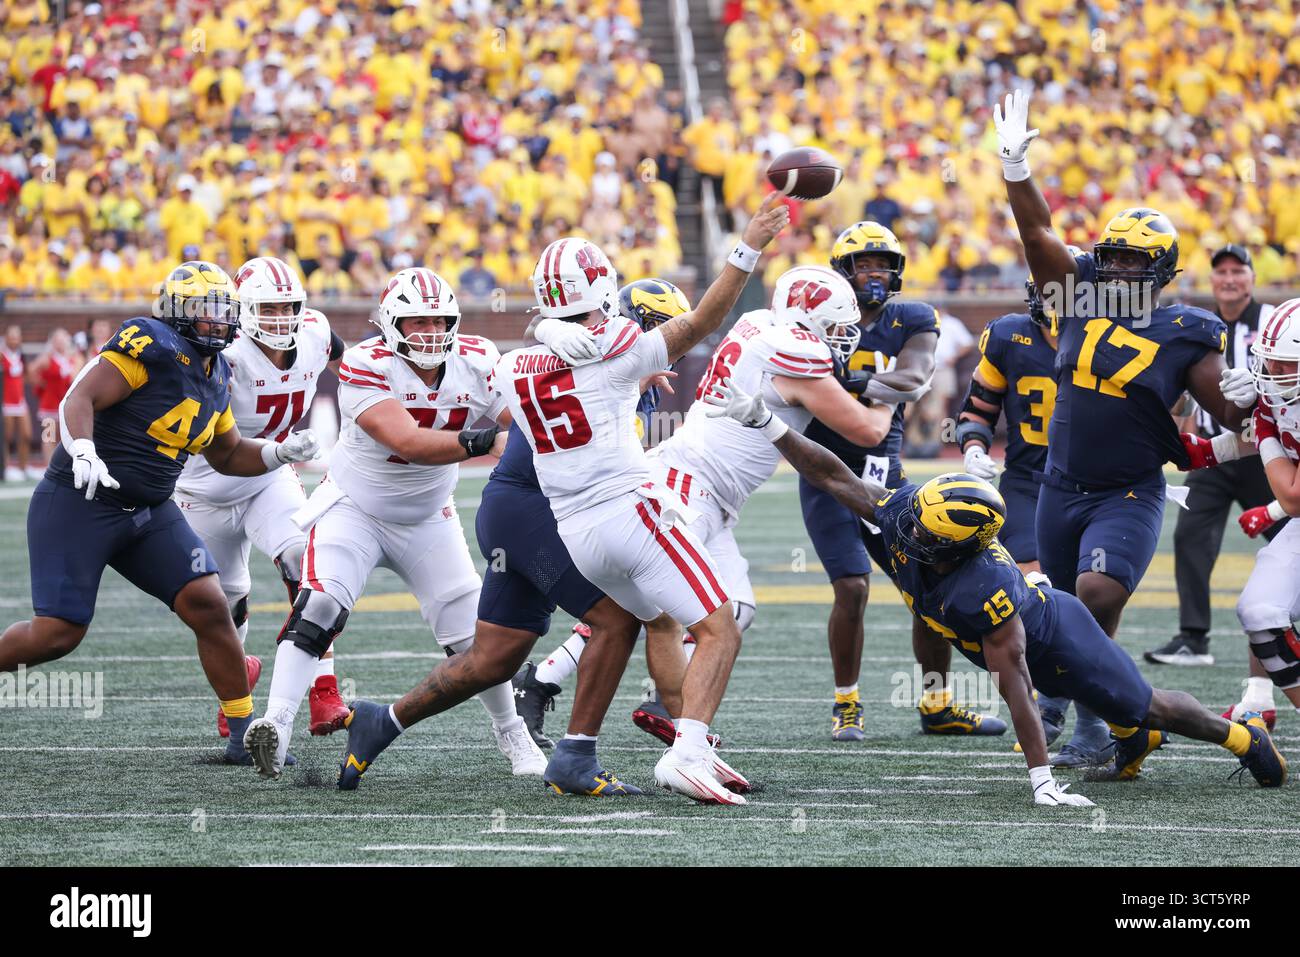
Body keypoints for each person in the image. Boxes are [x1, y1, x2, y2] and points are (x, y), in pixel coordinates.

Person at [706, 375, 1287, 803]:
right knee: (1127, 716)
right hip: (1015, 632)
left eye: (922, 533)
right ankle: (1135, 738)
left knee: (1144, 702)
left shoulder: (984, 586)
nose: (906, 530)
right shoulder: (911, 512)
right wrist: (768, 422)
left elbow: (1017, 685)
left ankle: (1242, 738)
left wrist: (1042, 783)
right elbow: (833, 474)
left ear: (955, 547)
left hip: (1059, 640)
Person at [340, 279, 691, 797]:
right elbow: (549, 345)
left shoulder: (617, 369)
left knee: (493, 659)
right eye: (659, 331)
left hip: (515, 510)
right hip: (529, 509)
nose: (665, 345)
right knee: (619, 621)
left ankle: (382, 720)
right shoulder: (596, 360)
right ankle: (587, 757)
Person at [993, 88, 1253, 767]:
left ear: (1162, 268)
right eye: (1116, 256)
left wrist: (1250, 392)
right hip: (1058, 484)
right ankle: (1059, 697)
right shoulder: (1079, 293)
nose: (1122, 268)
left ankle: (1093, 722)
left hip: (1127, 491)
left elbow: (1230, 415)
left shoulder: (1187, 330)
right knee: (1052, 604)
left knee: (1097, 595)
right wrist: (1017, 172)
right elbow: (1037, 238)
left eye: (1137, 261)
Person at [504, 196, 789, 804]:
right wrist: (748, 247)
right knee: (720, 626)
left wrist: (545, 328)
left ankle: (640, 749)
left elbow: (524, 365)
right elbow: (705, 319)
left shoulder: (514, 366)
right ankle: (687, 755)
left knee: (657, 621)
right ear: (605, 289)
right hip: (629, 513)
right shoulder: (619, 348)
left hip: (576, 534)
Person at [0, 260, 318, 765]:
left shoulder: (218, 373)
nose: (217, 321)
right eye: (205, 311)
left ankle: (241, 736)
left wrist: (278, 453)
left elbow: (228, 453)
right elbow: (79, 397)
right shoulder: (151, 345)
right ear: (176, 312)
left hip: (148, 510)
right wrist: (82, 449)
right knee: (59, 632)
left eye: (222, 310)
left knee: (210, 604)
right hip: (81, 501)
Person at [242, 267, 541, 780]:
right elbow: (406, 441)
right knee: (318, 606)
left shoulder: (477, 358)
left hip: (429, 517)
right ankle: (277, 724)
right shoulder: (365, 362)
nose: (429, 332)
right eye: (416, 321)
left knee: (477, 640)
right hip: (354, 508)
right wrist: (479, 440)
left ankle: (513, 734)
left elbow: (523, 419)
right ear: (389, 323)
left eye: (438, 321)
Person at [806, 220, 1005, 741]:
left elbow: (914, 378)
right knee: (851, 587)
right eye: (862, 264)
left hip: (884, 474)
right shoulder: (812, 319)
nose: (872, 274)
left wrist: (842, 380)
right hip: (826, 472)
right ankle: (846, 703)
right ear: (843, 272)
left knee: (929, 583)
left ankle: (936, 703)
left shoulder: (912, 316)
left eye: (881, 265)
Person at [174, 256, 349, 740]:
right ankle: (237, 685)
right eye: (268, 309)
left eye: (288, 307)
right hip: (202, 486)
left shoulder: (314, 332)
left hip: (268, 479)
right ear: (244, 311)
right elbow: (213, 443)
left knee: (305, 562)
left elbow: (349, 362)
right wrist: (278, 448)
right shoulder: (220, 352)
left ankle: (324, 690)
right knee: (220, 603)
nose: (280, 319)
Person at [1145, 244, 1283, 668]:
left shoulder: (1273, 323)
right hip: (1212, 456)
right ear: (1212, 280)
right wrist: (1180, 425)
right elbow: (1185, 392)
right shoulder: (1196, 327)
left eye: (1237, 271)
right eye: (1220, 271)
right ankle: (1193, 637)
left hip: (1265, 452)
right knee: (1190, 539)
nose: (1229, 278)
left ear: (1252, 277)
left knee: (1287, 538)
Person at [1181, 298, 1300, 726]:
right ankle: (1259, 699)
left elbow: (1292, 496)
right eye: (1270, 362)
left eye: (1286, 364)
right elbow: (1271, 435)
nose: (1274, 373)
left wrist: (1263, 421)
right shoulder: (1285, 388)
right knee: (1260, 609)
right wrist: (1206, 452)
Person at [29, 327, 81, 468]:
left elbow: (76, 378)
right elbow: (31, 370)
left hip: (65, 405)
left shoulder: (73, 359)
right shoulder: (47, 358)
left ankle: (62, 467)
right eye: (57, 340)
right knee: (49, 437)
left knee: (64, 438)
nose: (60, 342)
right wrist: (42, 385)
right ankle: (48, 467)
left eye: (63, 339)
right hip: (49, 405)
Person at [2, 325, 39, 480]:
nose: (14, 339)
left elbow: (27, 377)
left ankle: (23, 467)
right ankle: (5, 468)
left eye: (17, 336)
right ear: (6, 338)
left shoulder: (21, 355)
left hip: (20, 402)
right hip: (6, 403)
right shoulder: (2, 355)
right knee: (6, 438)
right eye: (11, 336)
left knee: (26, 435)